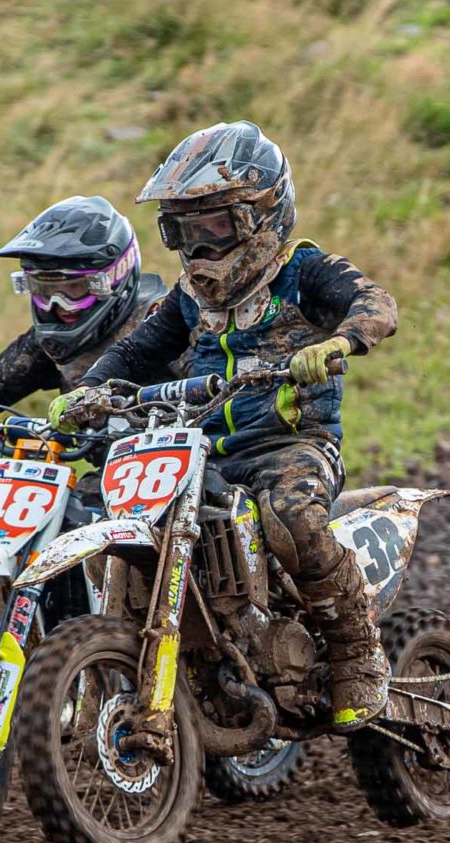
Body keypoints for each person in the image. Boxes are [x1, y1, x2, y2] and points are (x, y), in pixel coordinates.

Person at [49, 121, 398, 731]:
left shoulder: (302, 272)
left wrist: (340, 341)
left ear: (262, 216)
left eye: (215, 227)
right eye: (184, 231)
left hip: (290, 445)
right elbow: (136, 352)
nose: (201, 247)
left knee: (290, 518)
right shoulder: (188, 298)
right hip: (202, 449)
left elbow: (375, 304)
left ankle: (356, 648)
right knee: (119, 526)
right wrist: (90, 392)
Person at [0, 195, 169, 502]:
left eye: (74, 289)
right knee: (55, 514)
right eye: (44, 289)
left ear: (113, 279)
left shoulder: (162, 325)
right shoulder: (51, 338)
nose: (58, 304)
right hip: (108, 476)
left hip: (168, 472)